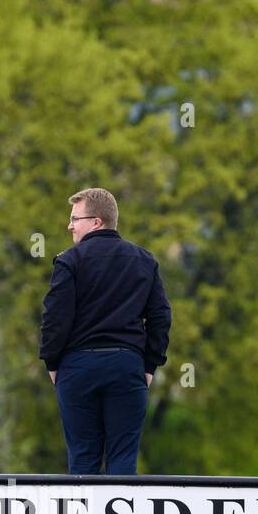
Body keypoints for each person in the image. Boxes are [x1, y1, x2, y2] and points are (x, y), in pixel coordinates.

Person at [40, 187, 172, 475]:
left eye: (75, 218)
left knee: (82, 460)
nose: (69, 225)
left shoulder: (68, 261)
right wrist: (149, 364)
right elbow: (160, 316)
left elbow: (55, 318)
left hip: (77, 368)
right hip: (127, 366)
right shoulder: (144, 260)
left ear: (96, 221)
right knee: (123, 459)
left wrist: (52, 362)